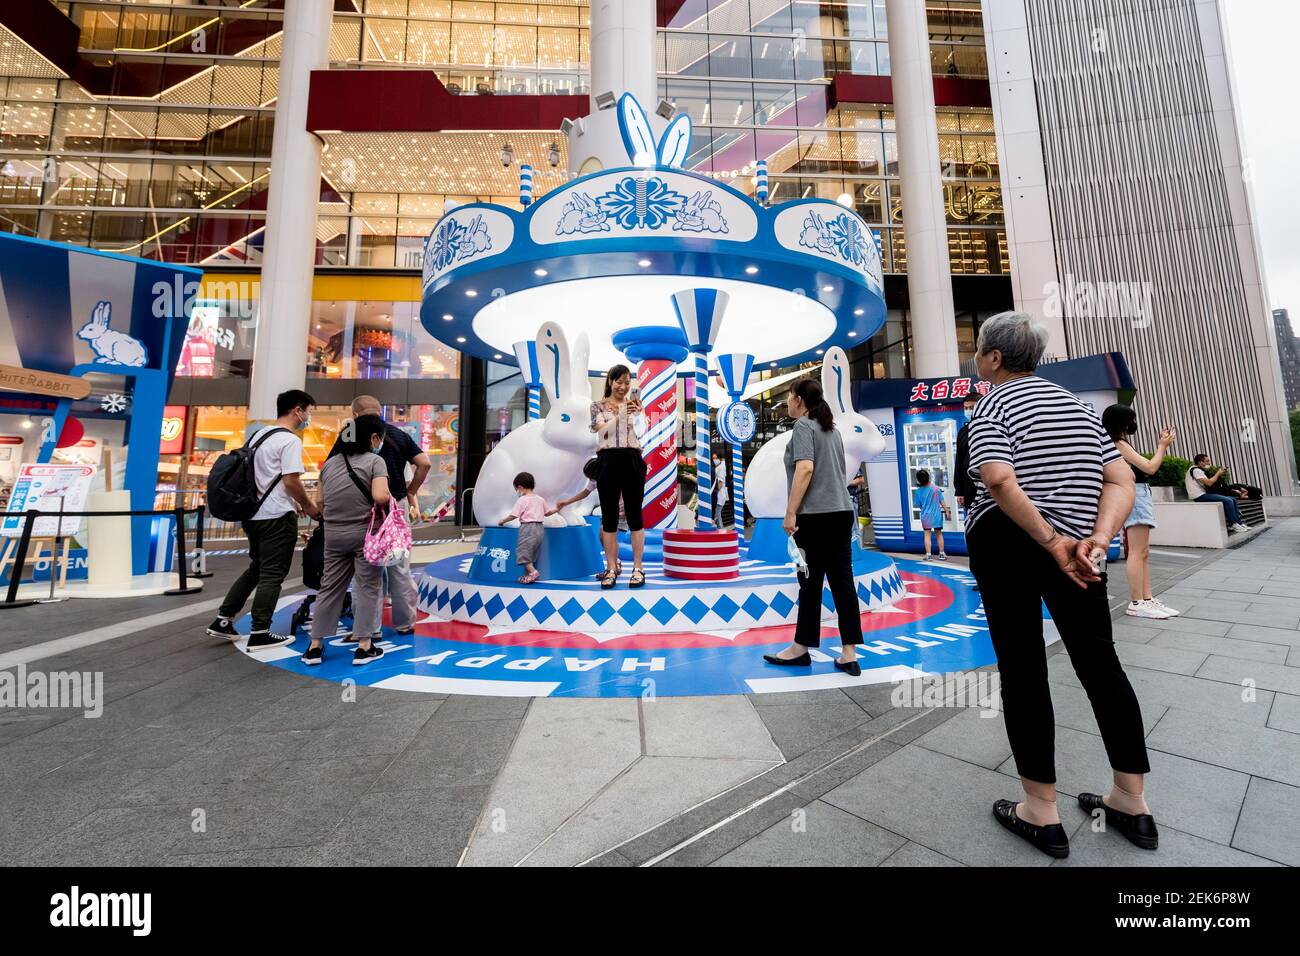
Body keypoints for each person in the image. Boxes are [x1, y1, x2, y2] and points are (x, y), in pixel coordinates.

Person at [965, 311, 1155, 859]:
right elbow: (1121, 478)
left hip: (1011, 542)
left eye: (979, 350)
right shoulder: (1080, 409)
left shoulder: (993, 405)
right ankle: (1130, 801)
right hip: (1080, 547)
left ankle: (1041, 812)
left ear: (995, 358)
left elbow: (999, 479)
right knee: (1100, 662)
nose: (977, 359)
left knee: (1023, 665)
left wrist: (1049, 540)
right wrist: (1093, 540)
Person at [762, 378, 865, 676]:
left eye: (790, 397)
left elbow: (805, 468)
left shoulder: (804, 427)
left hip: (815, 518)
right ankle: (849, 653)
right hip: (841, 513)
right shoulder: (832, 430)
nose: (789, 402)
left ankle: (801, 647)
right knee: (843, 584)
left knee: (809, 584)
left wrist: (791, 512)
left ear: (798, 400)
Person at [207, 389, 321, 649]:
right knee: (272, 573)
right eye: (308, 412)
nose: (308, 418)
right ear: (297, 411)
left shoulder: (259, 435)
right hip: (276, 517)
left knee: (257, 567)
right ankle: (260, 631)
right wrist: (308, 504)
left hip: (253, 514)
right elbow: (291, 480)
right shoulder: (290, 441)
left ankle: (223, 619)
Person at [327, 395, 430, 635]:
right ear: (380, 411)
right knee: (400, 566)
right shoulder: (397, 434)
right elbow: (424, 463)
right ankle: (405, 624)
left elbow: (333, 466)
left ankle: (368, 629)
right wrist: (411, 491)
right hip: (396, 507)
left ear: (354, 414)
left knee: (365, 570)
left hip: (363, 509)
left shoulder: (349, 433)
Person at [300, 414, 391, 667]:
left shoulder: (330, 465)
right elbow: (380, 496)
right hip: (365, 534)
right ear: (374, 438)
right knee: (367, 587)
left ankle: (315, 646)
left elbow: (320, 502)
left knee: (329, 587)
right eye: (380, 438)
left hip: (334, 534)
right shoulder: (375, 461)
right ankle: (364, 646)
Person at [1103, 405, 1180, 619]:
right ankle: (1137, 601)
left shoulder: (1118, 442)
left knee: (1143, 551)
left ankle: (1147, 599)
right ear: (1122, 423)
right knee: (1137, 552)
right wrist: (1162, 446)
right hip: (1135, 495)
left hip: (1139, 494)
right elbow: (1150, 467)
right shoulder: (1118, 443)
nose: (1132, 425)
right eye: (1130, 420)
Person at [591, 365, 647, 588]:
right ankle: (611, 568)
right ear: (610, 381)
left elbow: (641, 433)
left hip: (632, 459)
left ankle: (638, 567)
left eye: (627, 382)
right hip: (607, 461)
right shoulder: (597, 405)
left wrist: (639, 415)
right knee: (610, 518)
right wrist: (622, 415)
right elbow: (601, 432)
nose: (623, 387)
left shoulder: (634, 408)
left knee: (635, 516)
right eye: (619, 381)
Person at [500, 471, 546, 584]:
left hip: (528, 528)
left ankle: (533, 572)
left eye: (516, 489)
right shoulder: (540, 499)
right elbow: (548, 512)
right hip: (540, 528)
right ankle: (528, 575)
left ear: (520, 487)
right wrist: (558, 508)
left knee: (523, 551)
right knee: (532, 552)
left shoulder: (522, 500)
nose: (517, 492)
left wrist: (503, 521)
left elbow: (513, 515)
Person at [1184, 453, 1249, 533]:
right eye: (1207, 461)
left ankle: (1239, 523)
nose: (1209, 463)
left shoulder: (1199, 470)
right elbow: (1209, 483)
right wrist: (1218, 474)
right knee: (1228, 501)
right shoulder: (1196, 470)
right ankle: (1233, 524)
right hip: (1199, 496)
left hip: (1203, 494)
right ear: (1200, 462)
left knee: (1232, 499)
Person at [912, 468, 950, 560]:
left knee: (927, 534)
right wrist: (946, 511)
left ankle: (928, 555)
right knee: (939, 534)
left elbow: (919, 505)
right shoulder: (936, 488)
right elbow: (942, 501)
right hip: (937, 515)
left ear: (918, 479)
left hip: (926, 516)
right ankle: (941, 554)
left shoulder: (918, 491)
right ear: (928, 477)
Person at [953, 393, 979, 514]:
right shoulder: (963, 432)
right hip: (969, 486)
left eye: (971, 408)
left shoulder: (994, 427)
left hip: (990, 482)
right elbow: (959, 461)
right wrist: (959, 491)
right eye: (966, 408)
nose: (968, 411)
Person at [713, 450, 730, 526]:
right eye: (713, 458)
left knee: (716, 516)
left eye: (715, 458)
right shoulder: (721, 466)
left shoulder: (720, 467)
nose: (714, 460)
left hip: (719, 495)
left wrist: (716, 490)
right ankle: (720, 532)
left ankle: (720, 532)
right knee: (718, 516)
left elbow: (721, 481)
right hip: (720, 494)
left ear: (719, 458)